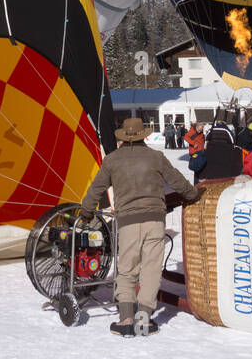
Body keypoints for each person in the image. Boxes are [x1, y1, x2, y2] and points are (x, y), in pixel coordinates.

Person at [81, 117, 201, 337]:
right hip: (155, 220)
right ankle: (144, 319)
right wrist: (193, 195)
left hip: (127, 222)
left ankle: (126, 318)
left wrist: (86, 213)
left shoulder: (112, 160)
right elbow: (178, 182)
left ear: (122, 138)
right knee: (151, 269)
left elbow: (96, 189)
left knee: (127, 269)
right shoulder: (156, 157)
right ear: (143, 135)